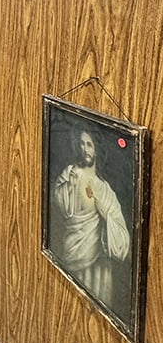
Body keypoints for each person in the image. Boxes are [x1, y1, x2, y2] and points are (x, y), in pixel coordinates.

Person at [52, 128, 130, 308]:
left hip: (100, 265)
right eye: (81, 144)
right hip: (72, 251)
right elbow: (58, 203)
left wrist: (106, 217)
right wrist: (69, 186)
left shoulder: (105, 189)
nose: (85, 149)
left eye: (89, 145)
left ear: (96, 150)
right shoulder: (71, 173)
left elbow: (123, 237)